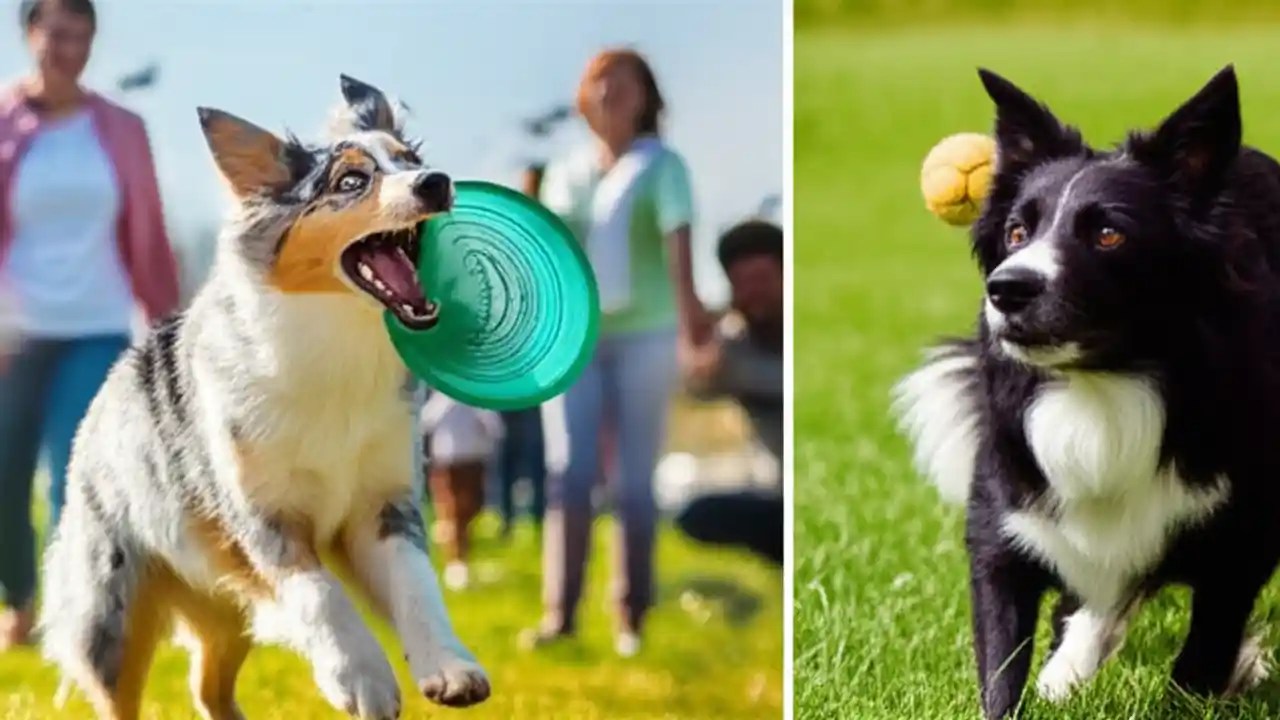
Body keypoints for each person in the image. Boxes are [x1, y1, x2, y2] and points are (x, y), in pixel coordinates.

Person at [0, 0, 179, 650]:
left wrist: (167, 335)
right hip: (12, 333)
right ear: (29, 35)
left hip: (98, 325)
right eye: (54, 33)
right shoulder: (2, 119)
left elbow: (150, 237)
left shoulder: (123, 127)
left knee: (72, 474)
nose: (67, 48)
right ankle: (17, 599)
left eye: (80, 35)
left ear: (93, 40)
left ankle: (66, 616)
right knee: (4, 474)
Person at [521, 48, 711, 658]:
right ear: (582, 97)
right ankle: (560, 614)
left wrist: (692, 331)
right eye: (598, 83)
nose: (609, 94)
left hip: (647, 337)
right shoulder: (567, 172)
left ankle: (631, 613)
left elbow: (680, 250)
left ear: (645, 97)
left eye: (623, 84)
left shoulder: (664, 167)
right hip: (576, 340)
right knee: (568, 476)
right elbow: (547, 255)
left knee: (634, 483)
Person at [675, 219, 784, 566]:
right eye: (742, 284)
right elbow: (692, 384)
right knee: (697, 514)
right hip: (777, 497)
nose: (754, 294)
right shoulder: (731, 349)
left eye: (762, 281)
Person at [420, 390, 505, 591]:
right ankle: (456, 563)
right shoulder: (442, 398)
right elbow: (427, 421)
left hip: (474, 460)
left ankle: (461, 554)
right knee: (452, 512)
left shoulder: (478, 398)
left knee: (471, 510)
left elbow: (496, 428)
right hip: (448, 462)